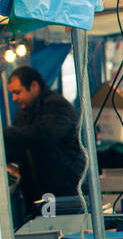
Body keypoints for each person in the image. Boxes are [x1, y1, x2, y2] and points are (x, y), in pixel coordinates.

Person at [4, 66, 84, 223]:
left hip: (63, 190)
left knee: (62, 233)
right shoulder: (25, 111)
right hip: (39, 191)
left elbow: (44, 134)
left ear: (33, 86)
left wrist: (5, 133)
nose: (14, 98)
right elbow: (19, 143)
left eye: (17, 92)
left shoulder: (57, 107)